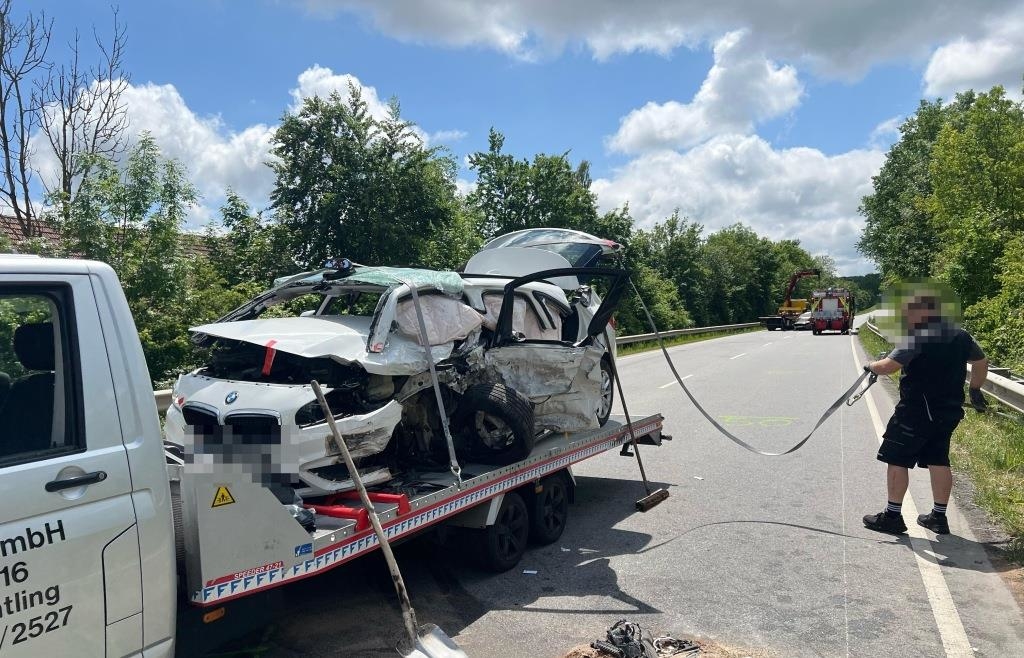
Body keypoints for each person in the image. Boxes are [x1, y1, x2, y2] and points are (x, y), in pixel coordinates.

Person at [861, 292, 988, 536]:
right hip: (948, 411)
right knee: (938, 459)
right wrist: (975, 390)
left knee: (897, 457)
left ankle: (892, 516)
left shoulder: (917, 336)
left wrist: (871, 366)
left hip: (916, 410)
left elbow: (889, 366)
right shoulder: (961, 336)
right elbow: (981, 362)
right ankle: (938, 518)